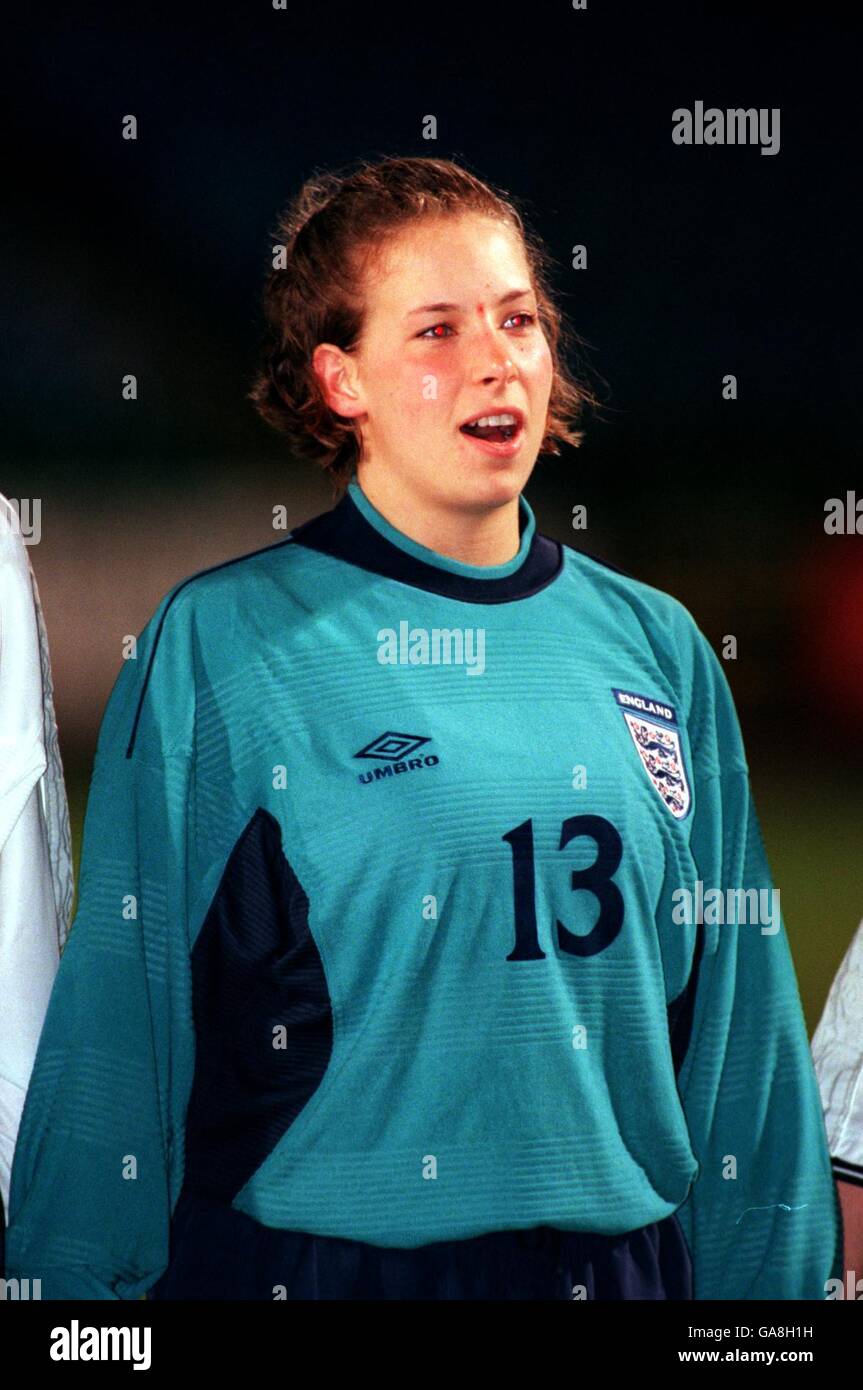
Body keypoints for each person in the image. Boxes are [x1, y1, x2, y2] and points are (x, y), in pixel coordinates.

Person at [5, 155, 841, 1300]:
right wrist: (73, 1312)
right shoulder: (224, 646)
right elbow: (121, 1026)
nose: (494, 359)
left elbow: (741, 1051)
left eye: (517, 321)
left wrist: (773, 1314)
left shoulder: (660, 648)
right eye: (437, 330)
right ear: (340, 378)